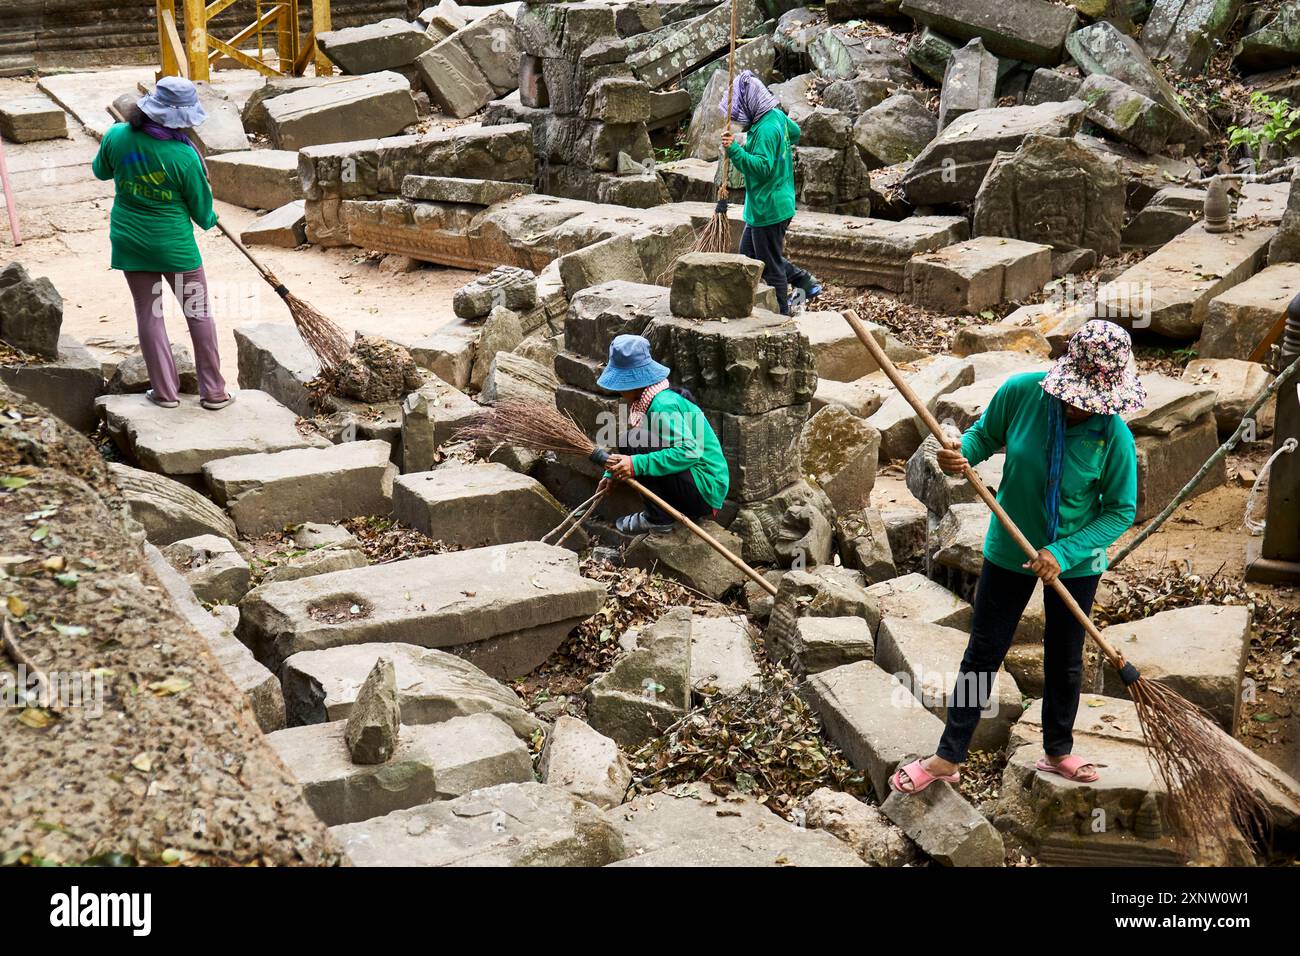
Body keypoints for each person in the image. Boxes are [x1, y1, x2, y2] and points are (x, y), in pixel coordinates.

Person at [890, 320, 1145, 794]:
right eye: (1074, 396)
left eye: (1089, 401)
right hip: (1009, 547)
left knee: (1065, 657)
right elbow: (983, 438)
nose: (1078, 406)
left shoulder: (1113, 436)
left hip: (1077, 560)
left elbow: (1120, 511)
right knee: (982, 652)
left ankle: (1058, 748)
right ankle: (948, 756)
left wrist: (1062, 551)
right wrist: (958, 453)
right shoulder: (1024, 392)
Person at [92, 76, 233, 410]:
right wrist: (211, 217)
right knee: (198, 314)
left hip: (130, 242)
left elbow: (101, 171)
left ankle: (165, 394)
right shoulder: (184, 157)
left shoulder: (116, 136)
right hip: (176, 249)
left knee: (149, 313)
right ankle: (213, 393)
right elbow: (202, 214)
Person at [596, 335, 730, 535]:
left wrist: (635, 465)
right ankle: (663, 512)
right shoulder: (651, 400)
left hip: (704, 491)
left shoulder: (663, 404)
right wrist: (611, 473)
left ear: (632, 383)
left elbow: (689, 451)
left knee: (633, 441)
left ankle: (657, 518)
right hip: (694, 486)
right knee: (632, 440)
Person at [719, 70, 820, 316]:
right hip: (768, 205)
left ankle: (782, 317)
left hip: (769, 208)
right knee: (749, 258)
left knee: (770, 267)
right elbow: (794, 132)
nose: (739, 119)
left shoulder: (764, 130)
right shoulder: (775, 116)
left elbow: (762, 169)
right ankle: (803, 280)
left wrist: (735, 149)